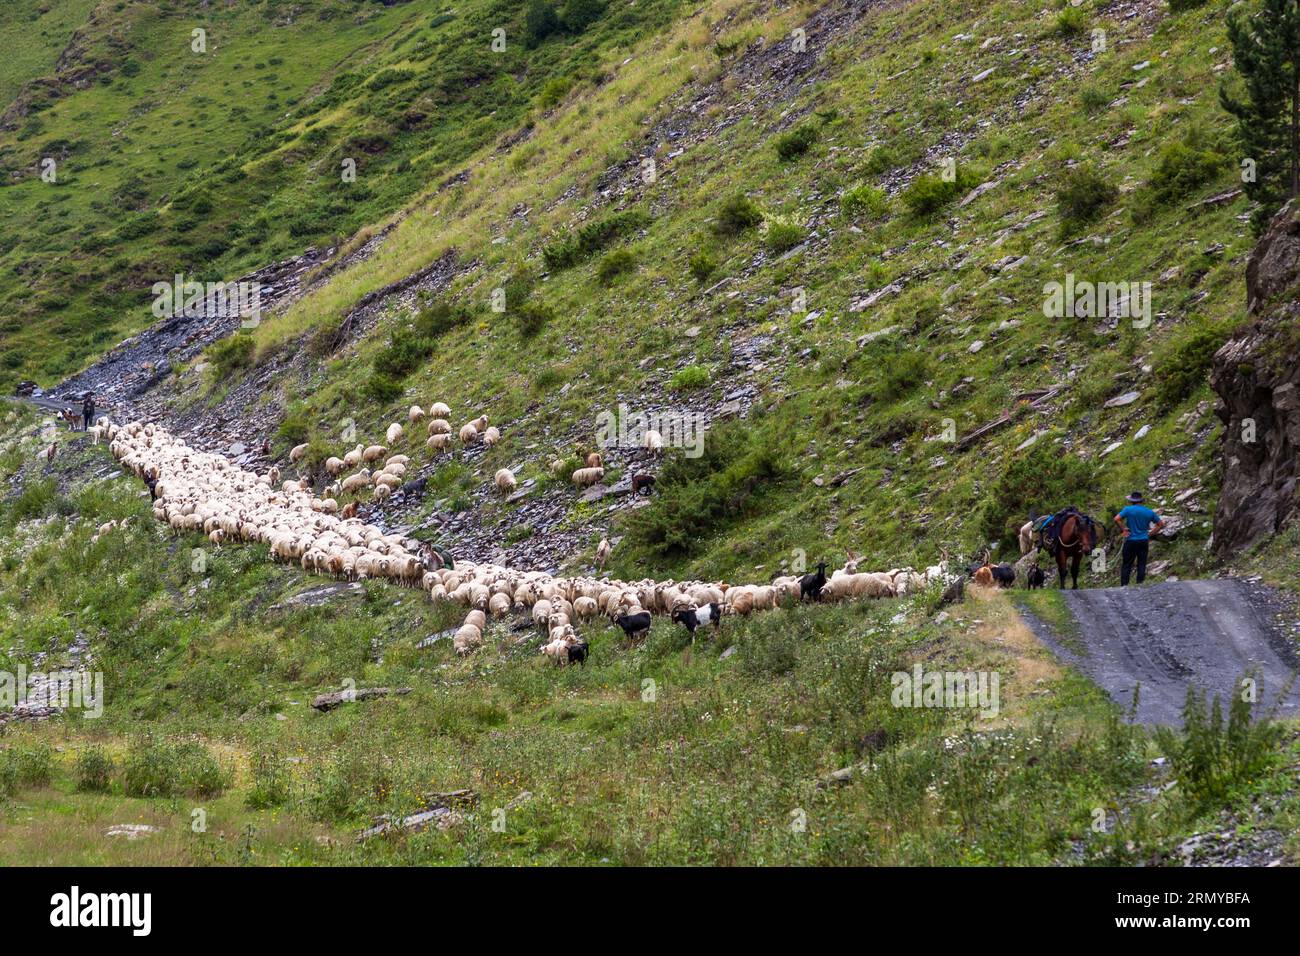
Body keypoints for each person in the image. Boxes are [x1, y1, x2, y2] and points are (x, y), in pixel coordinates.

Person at [1113, 491, 1165, 586]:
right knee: (1141, 564)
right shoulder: (1149, 511)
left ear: (1131, 501)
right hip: (1143, 540)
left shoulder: (1128, 510)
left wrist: (1124, 529)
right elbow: (1160, 524)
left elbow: (1116, 519)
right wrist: (1150, 534)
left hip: (1130, 540)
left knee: (1127, 564)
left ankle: (1124, 586)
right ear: (1141, 501)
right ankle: (1140, 585)